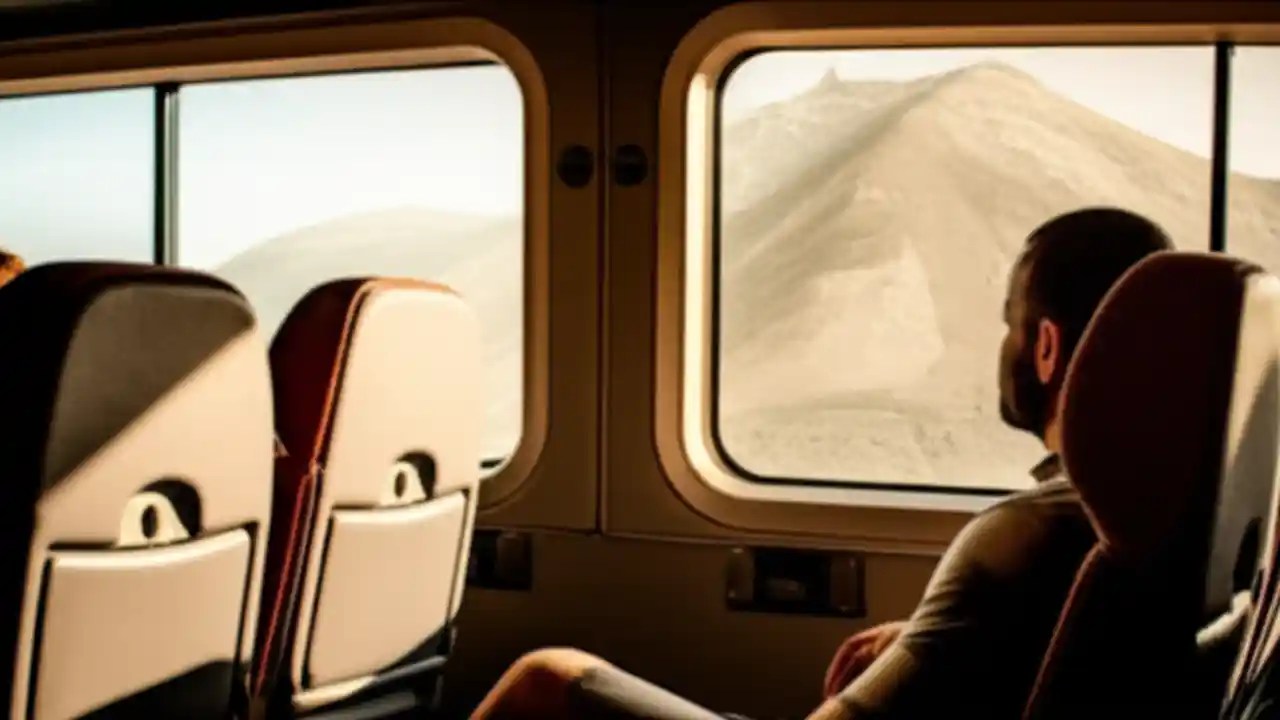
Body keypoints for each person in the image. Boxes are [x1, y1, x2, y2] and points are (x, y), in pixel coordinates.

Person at [469, 207, 1176, 720]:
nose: (1004, 347)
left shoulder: (1027, 537)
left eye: (1008, 323)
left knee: (545, 678)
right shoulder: (1172, 514)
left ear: (1047, 347)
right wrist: (924, 645)